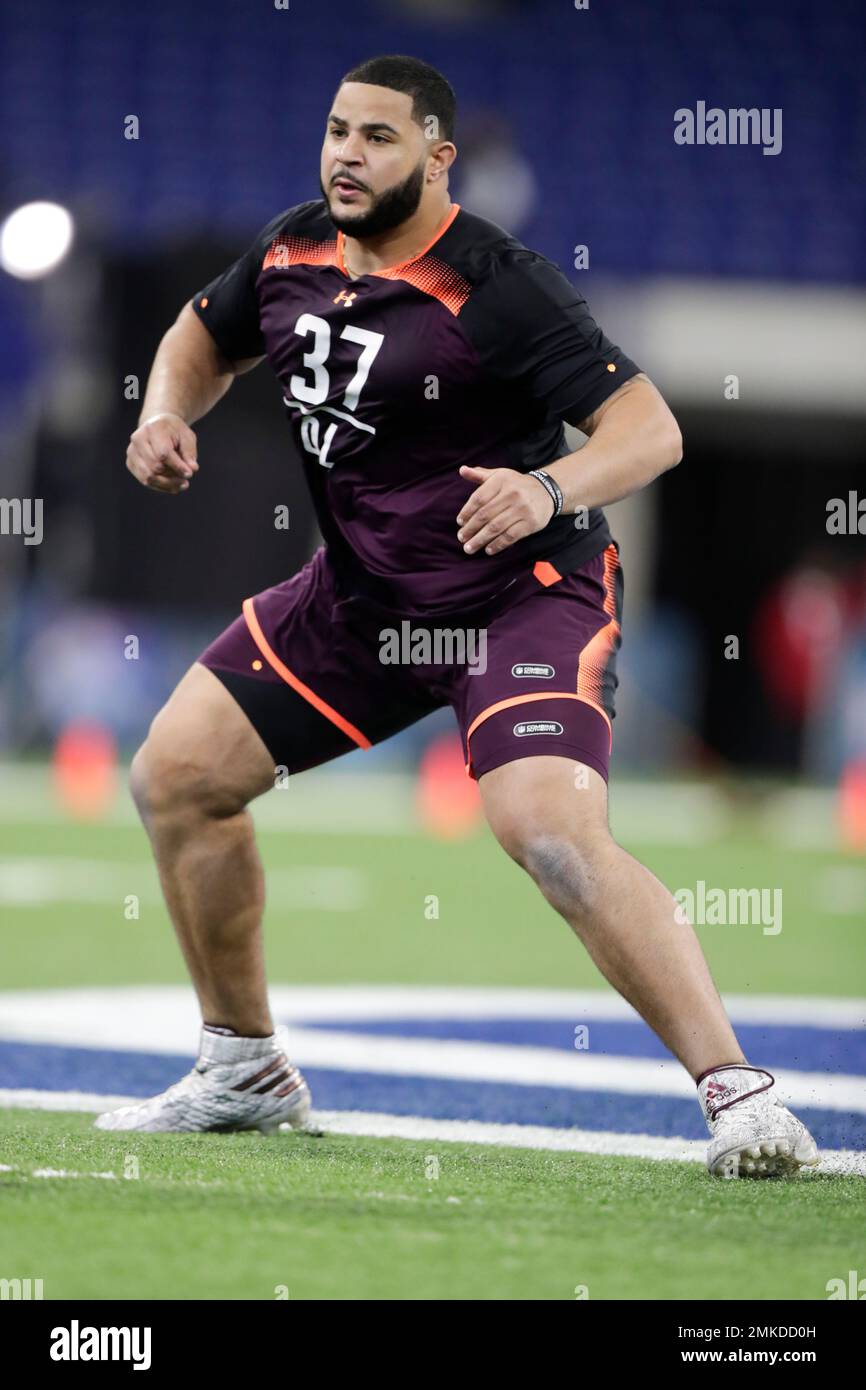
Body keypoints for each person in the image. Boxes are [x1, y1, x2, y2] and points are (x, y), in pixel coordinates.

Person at [101, 54, 818, 1179]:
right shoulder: (291, 246)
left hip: (515, 599)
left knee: (547, 834)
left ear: (437, 159)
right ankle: (242, 1067)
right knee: (175, 777)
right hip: (361, 596)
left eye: (377, 137)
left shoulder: (501, 284)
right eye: (336, 129)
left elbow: (650, 430)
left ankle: (740, 1097)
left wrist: (546, 487)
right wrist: (163, 412)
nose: (345, 153)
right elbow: (203, 334)